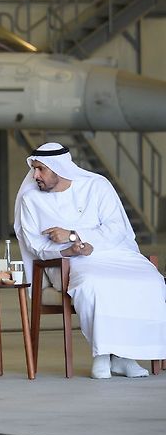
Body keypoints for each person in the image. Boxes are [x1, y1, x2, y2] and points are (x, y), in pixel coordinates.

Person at [14, 142, 166, 379]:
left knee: (151, 282)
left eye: (41, 169)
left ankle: (125, 357)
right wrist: (70, 250)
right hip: (65, 263)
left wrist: (74, 235)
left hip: (115, 253)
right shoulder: (31, 199)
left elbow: (117, 229)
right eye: (34, 169)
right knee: (94, 283)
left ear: (59, 169)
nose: (35, 176)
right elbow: (36, 246)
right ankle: (103, 354)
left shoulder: (97, 186)